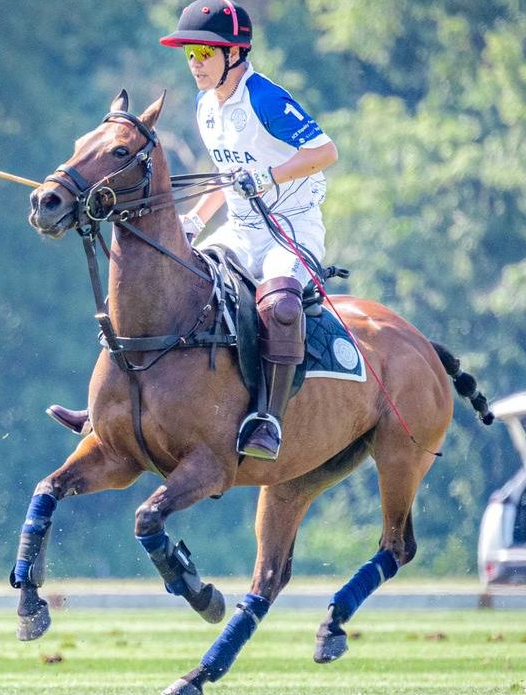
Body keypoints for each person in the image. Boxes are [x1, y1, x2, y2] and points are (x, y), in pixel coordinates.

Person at [47, 1, 338, 461]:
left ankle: (267, 418)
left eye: (206, 53)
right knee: (168, 277)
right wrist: (199, 218)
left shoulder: (265, 98)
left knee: (280, 302)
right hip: (242, 230)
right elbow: (224, 175)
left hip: (290, 230)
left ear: (235, 54)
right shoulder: (207, 108)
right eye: (191, 54)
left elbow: (325, 152)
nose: (196, 64)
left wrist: (266, 177)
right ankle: (105, 403)